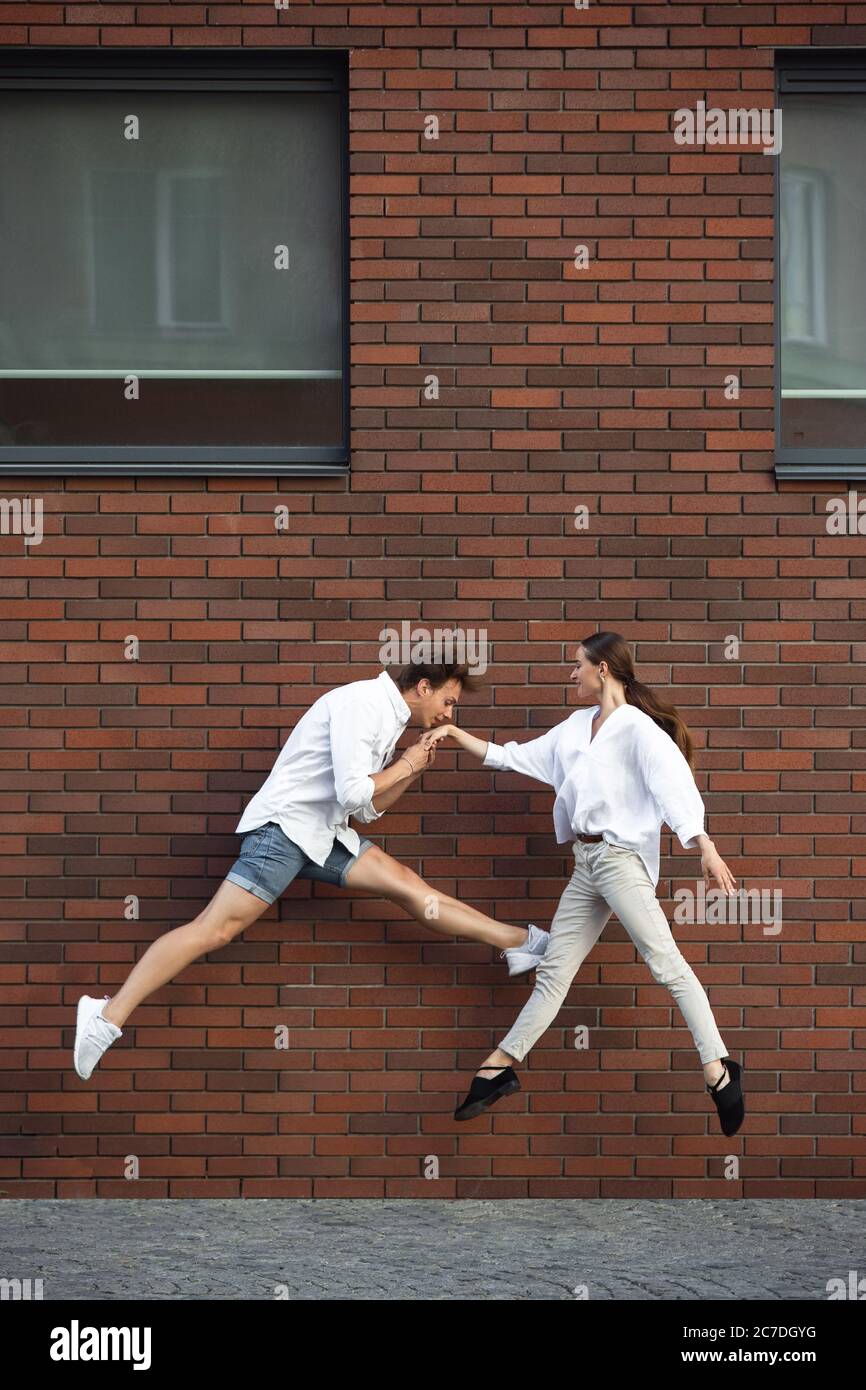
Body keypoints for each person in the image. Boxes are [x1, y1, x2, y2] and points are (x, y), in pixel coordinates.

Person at [73, 662, 549, 1082]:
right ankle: (105, 1016)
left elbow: (369, 809)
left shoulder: (388, 718)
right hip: (284, 834)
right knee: (214, 930)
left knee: (407, 886)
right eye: (447, 700)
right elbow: (352, 794)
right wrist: (405, 762)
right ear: (423, 686)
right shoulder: (363, 704)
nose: (449, 714)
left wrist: (413, 768)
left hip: (323, 836)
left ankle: (519, 944)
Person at [422, 633, 746, 1137]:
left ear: (603, 670)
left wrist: (702, 844)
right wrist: (458, 737)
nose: (571, 675)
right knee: (554, 971)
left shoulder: (637, 729)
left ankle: (718, 1067)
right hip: (586, 864)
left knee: (667, 965)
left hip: (620, 861)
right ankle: (499, 1066)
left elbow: (674, 783)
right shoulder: (575, 728)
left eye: (578, 666)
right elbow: (518, 757)